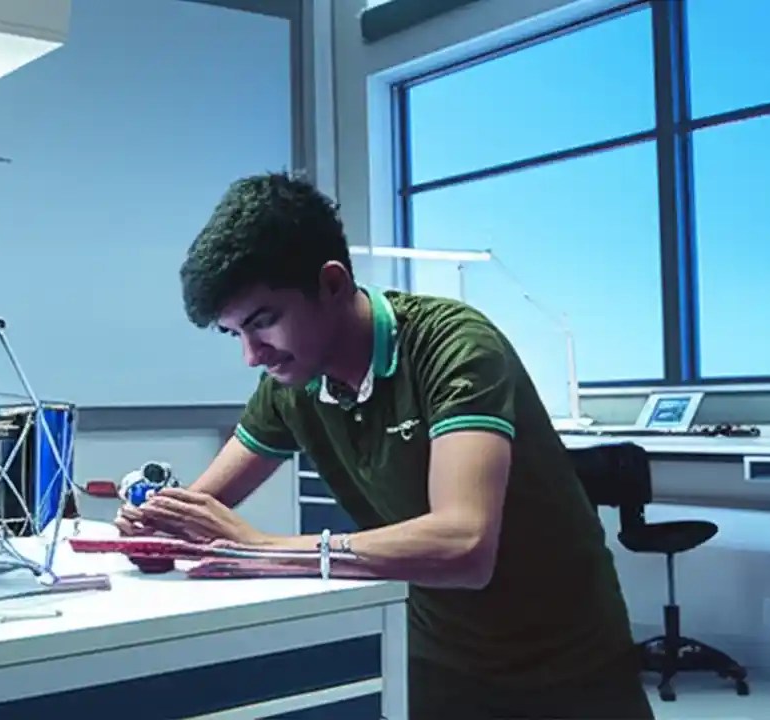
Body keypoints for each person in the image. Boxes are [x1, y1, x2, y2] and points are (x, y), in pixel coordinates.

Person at [114, 172, 655, 719]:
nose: (253, 355)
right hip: (435, 655)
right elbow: (200, 509)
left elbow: (465, 545)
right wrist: (155, 525)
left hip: (566, 658)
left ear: (332, 283)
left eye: (265, 322)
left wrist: (261, 548)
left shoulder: (454, 347)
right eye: (236, 334)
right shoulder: (290, 386)